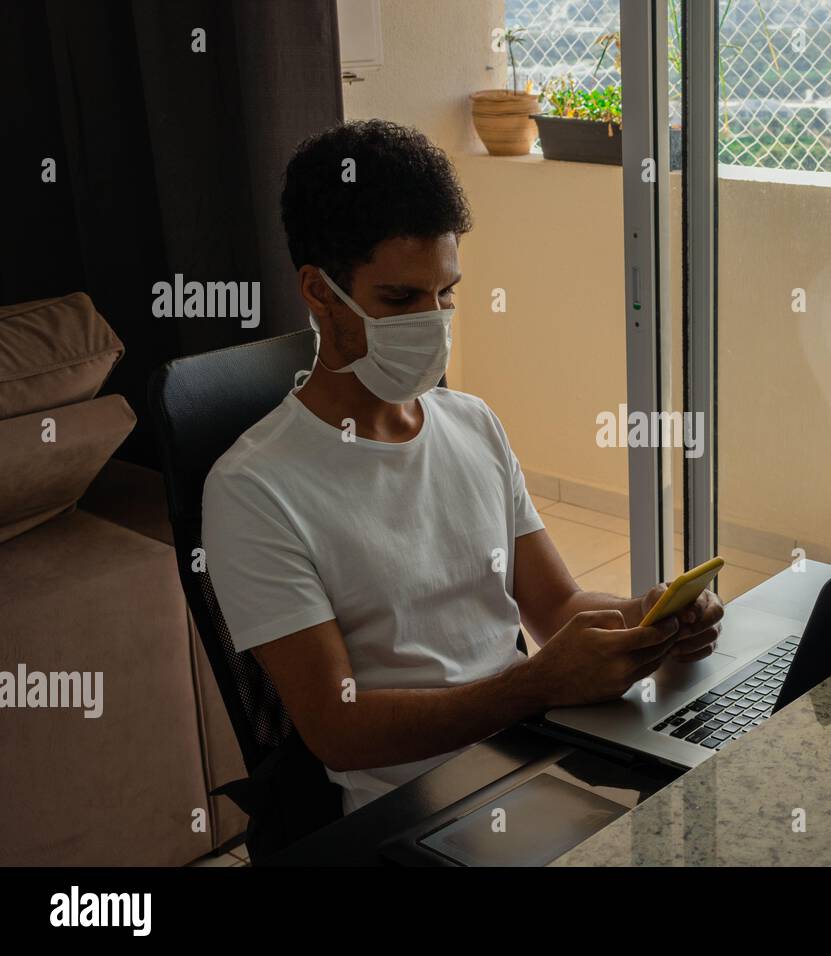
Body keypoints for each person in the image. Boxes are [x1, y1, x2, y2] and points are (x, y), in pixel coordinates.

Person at [203, 120, 722, 813]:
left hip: (540, 753)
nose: (434, 319)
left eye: (446, 292)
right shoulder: (254, 489)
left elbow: (558, 607)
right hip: (417, 804)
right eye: (401, 299)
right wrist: (535, 686)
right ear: (320, 291)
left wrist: (652, 618)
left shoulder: (472, 423)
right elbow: (338, 732)